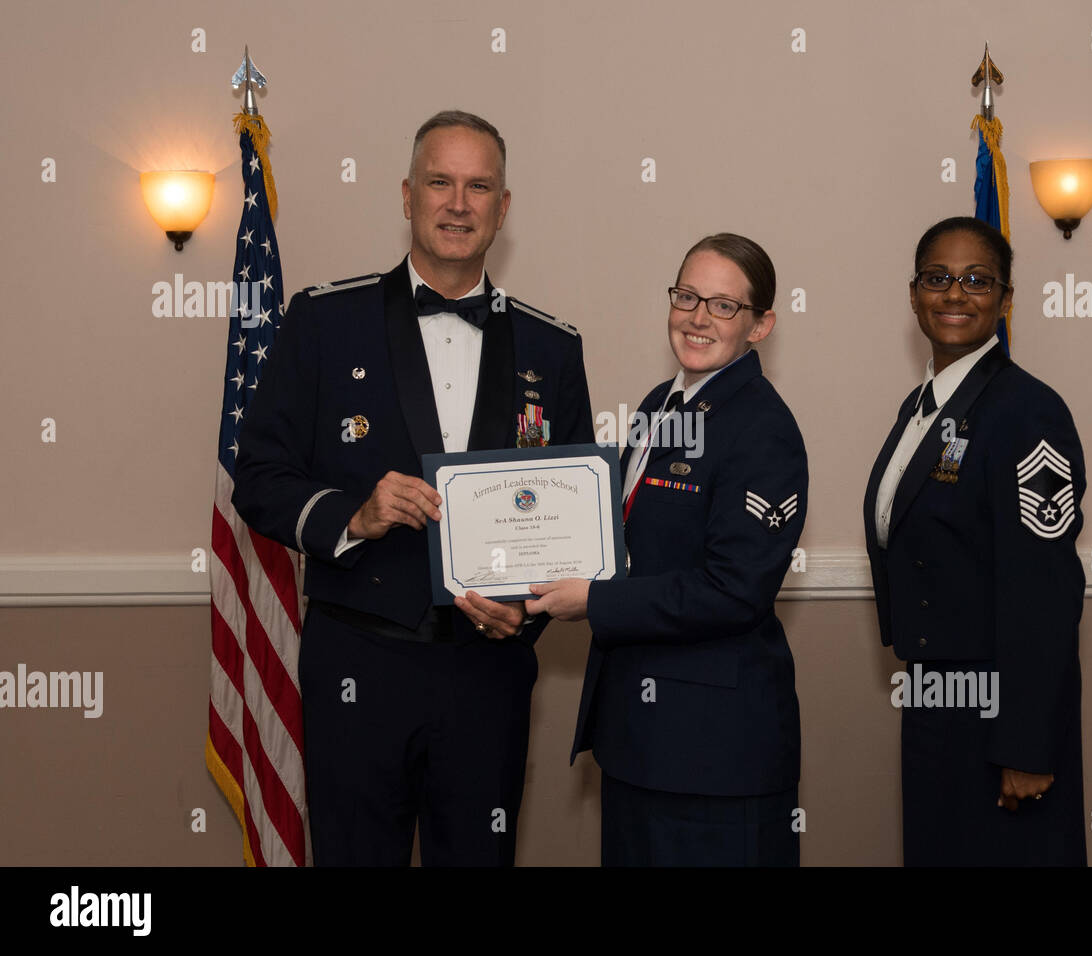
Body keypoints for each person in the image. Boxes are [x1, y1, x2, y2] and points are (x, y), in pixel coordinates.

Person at [232, 110, 594, 866]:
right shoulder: (325, 321)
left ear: (503, 208)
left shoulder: (552, 348)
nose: (458, 203)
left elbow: (568, 518)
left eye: (478, 187)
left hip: (488, 674)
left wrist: (524, 612)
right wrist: (354, 515)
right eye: (440, 182)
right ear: (406, 196)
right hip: (358, 664)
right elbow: (259, 476)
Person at [528, 233, 807, 866]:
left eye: (724, 305)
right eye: (687, 296)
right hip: (640, 740)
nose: (698, 317)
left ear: (760, 325)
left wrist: (594, 600)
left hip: (713, 756)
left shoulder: (763, 430)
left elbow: (734, 590)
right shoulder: (661, 405)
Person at [862, 216, 1087, 866]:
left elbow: (1044, 591)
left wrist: (1024, 745)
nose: (954, 295)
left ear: (1006, 300)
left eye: (977, 280)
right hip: (936, 699)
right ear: (913, 295)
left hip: (998, 719)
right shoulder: (923, 409)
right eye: (938, 278)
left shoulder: (1026, 411)